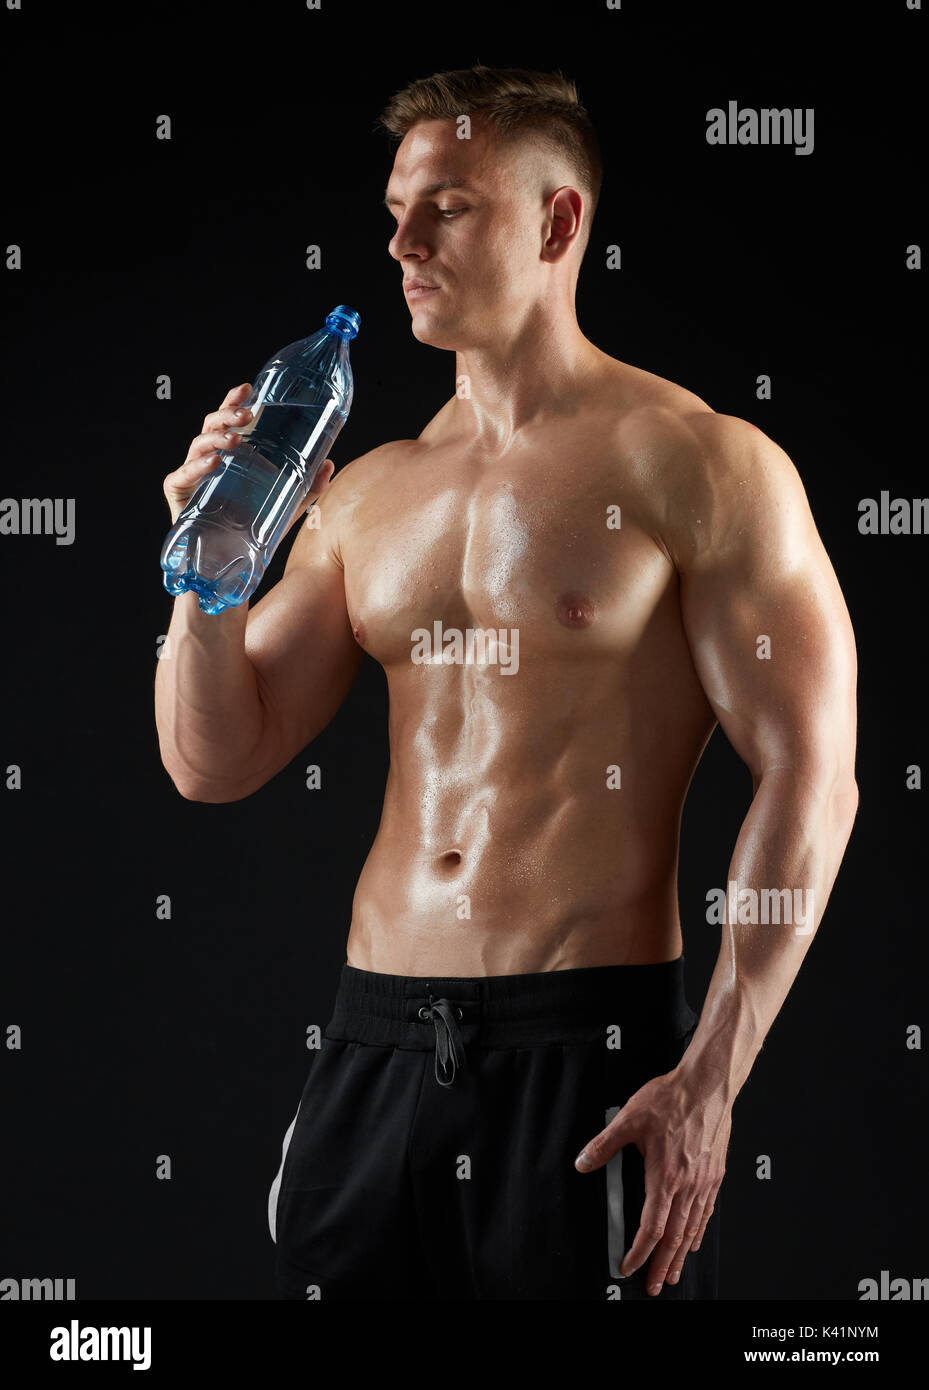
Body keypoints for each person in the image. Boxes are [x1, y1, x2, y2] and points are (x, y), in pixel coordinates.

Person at [155, 64, 859, 1301]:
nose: (401, 241)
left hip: (583, 1053)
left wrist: (713, 1073)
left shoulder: (700, 463)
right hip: (374, 1039)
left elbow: (815, 776)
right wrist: (205, 571)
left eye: (447, 207)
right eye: (394, 210)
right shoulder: (363, 489)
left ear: (556, 222)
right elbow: (215, 759)